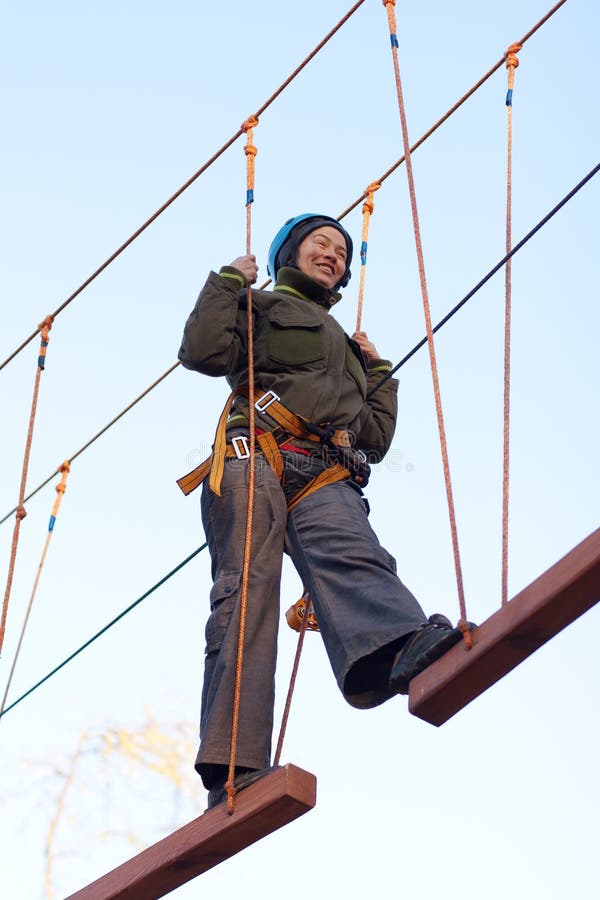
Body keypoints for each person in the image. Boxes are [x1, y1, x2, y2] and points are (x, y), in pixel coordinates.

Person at [178, 214, 464, 809]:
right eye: (320, 244)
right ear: (290, 254)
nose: (333, 254)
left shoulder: (349, 350)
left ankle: (388, 651)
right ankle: (233, 763)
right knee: (248, 588)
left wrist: (378, 372)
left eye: (341, 250)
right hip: (253, 448)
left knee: (354, 549)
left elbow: (375, 441)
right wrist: (229, 281)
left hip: (323, 468)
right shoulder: (259, 304)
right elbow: (201, 352)